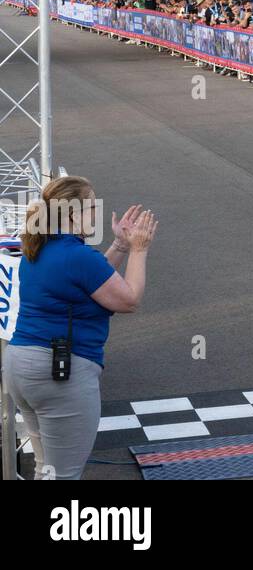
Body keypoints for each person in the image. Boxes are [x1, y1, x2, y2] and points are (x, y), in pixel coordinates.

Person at [7, 177, 157, 480]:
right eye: (91, 206)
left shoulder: (40, 248)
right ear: (72, 214)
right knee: (64, 475)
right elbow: (128, 300)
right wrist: (139, 249)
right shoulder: (77, 256)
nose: (95, 214)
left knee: (47, 469)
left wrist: (119, 245)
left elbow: (92, 282)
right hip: (59, 374)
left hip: (20, 367)